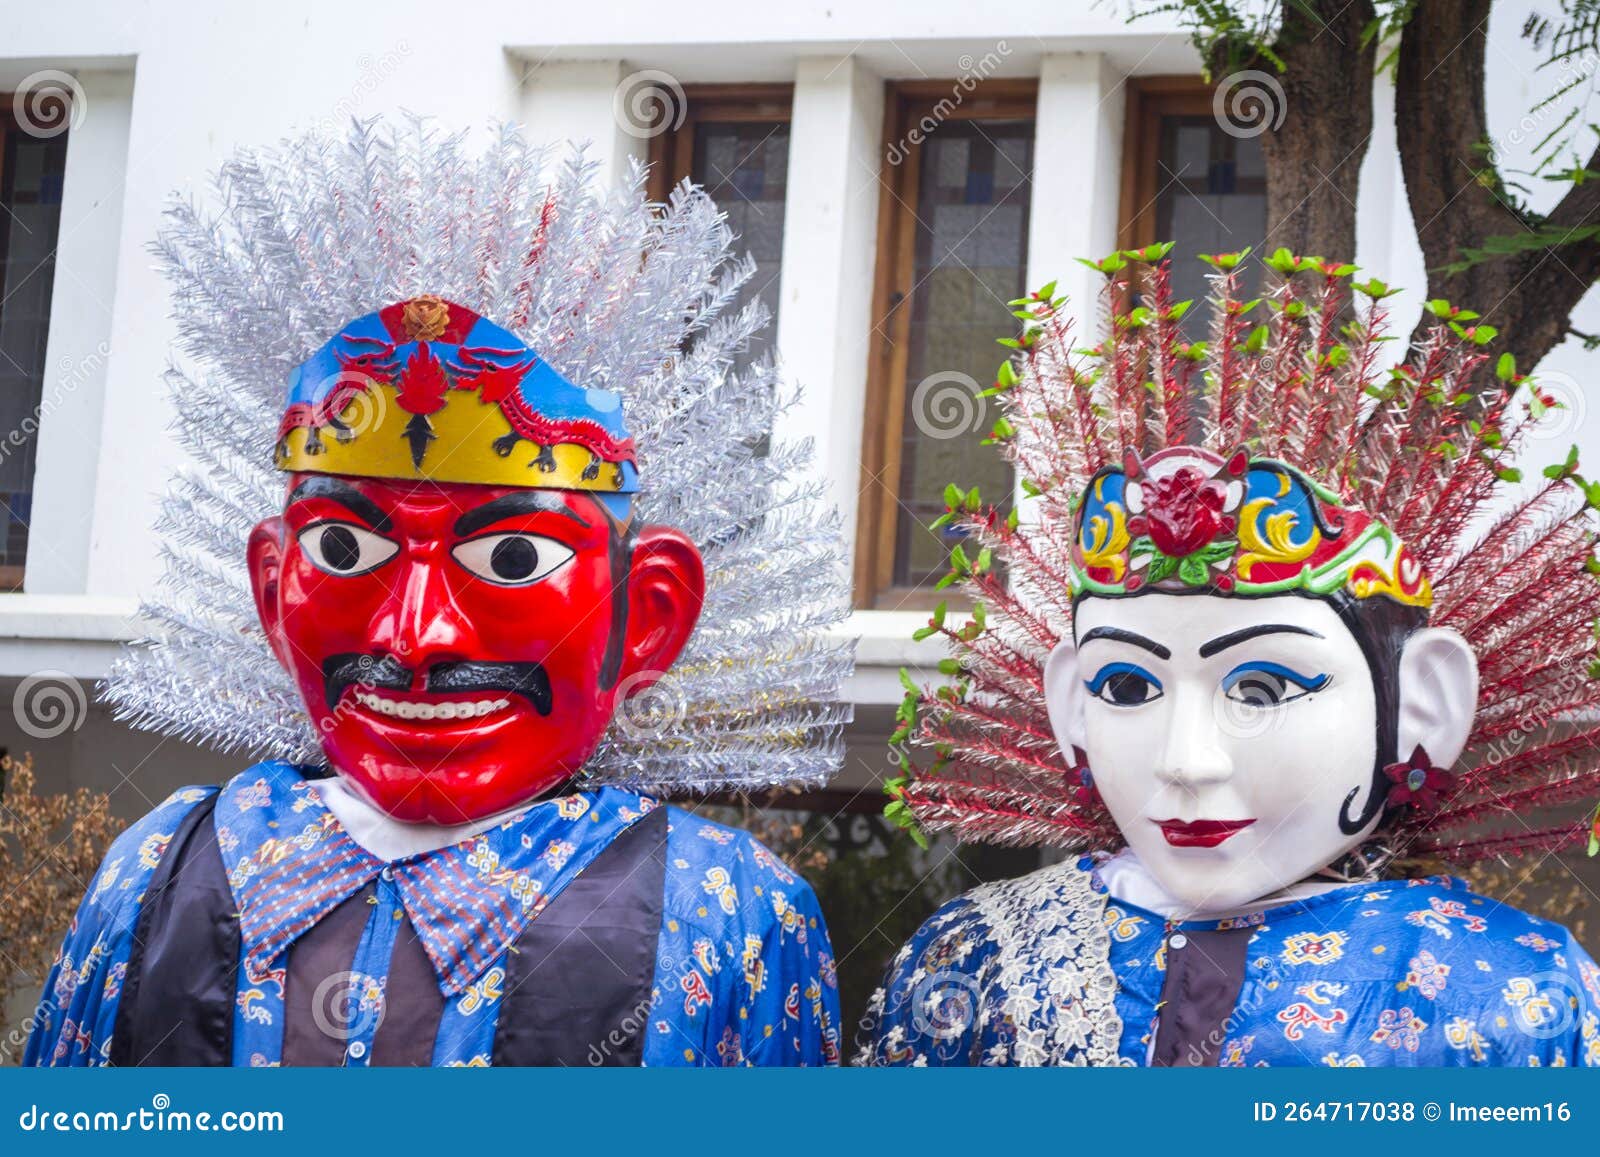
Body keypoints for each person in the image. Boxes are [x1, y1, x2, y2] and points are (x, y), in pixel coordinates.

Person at [27, 124, 852, 1068]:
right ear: (271, 586)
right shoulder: (159, 875)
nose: (414, 638)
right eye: (344, 548)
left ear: (650, 613)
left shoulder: (724, 909)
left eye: (510, 561)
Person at [861, 250, 1600, 1066]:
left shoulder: (1511, 996)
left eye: (1264, 684)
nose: (1188, 762)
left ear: (1423, 702)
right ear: (1071, 702)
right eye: (1128, 683)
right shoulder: (975, 961)